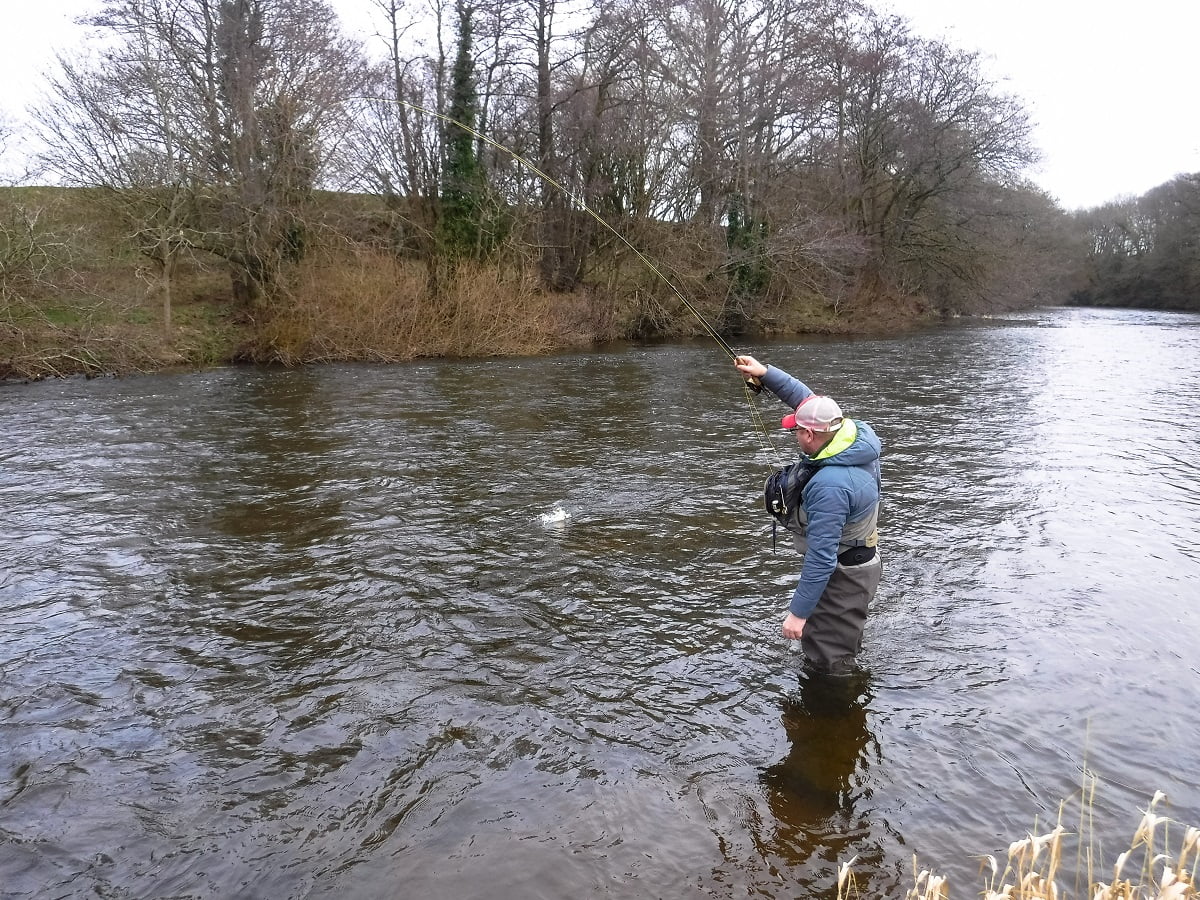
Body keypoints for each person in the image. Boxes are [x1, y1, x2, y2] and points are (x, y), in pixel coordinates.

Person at [734, 355, 882, 674]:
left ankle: (837, 713)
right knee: (837, 643)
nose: (795, 435)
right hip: (855, 560)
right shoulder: (852, 436)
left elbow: (822, 558)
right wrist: (765, 373)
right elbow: (807, 399)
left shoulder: (831, 486)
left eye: (797, 431)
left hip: (843, 573)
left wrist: (798, 613)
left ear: (810, 436)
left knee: (828, 663)